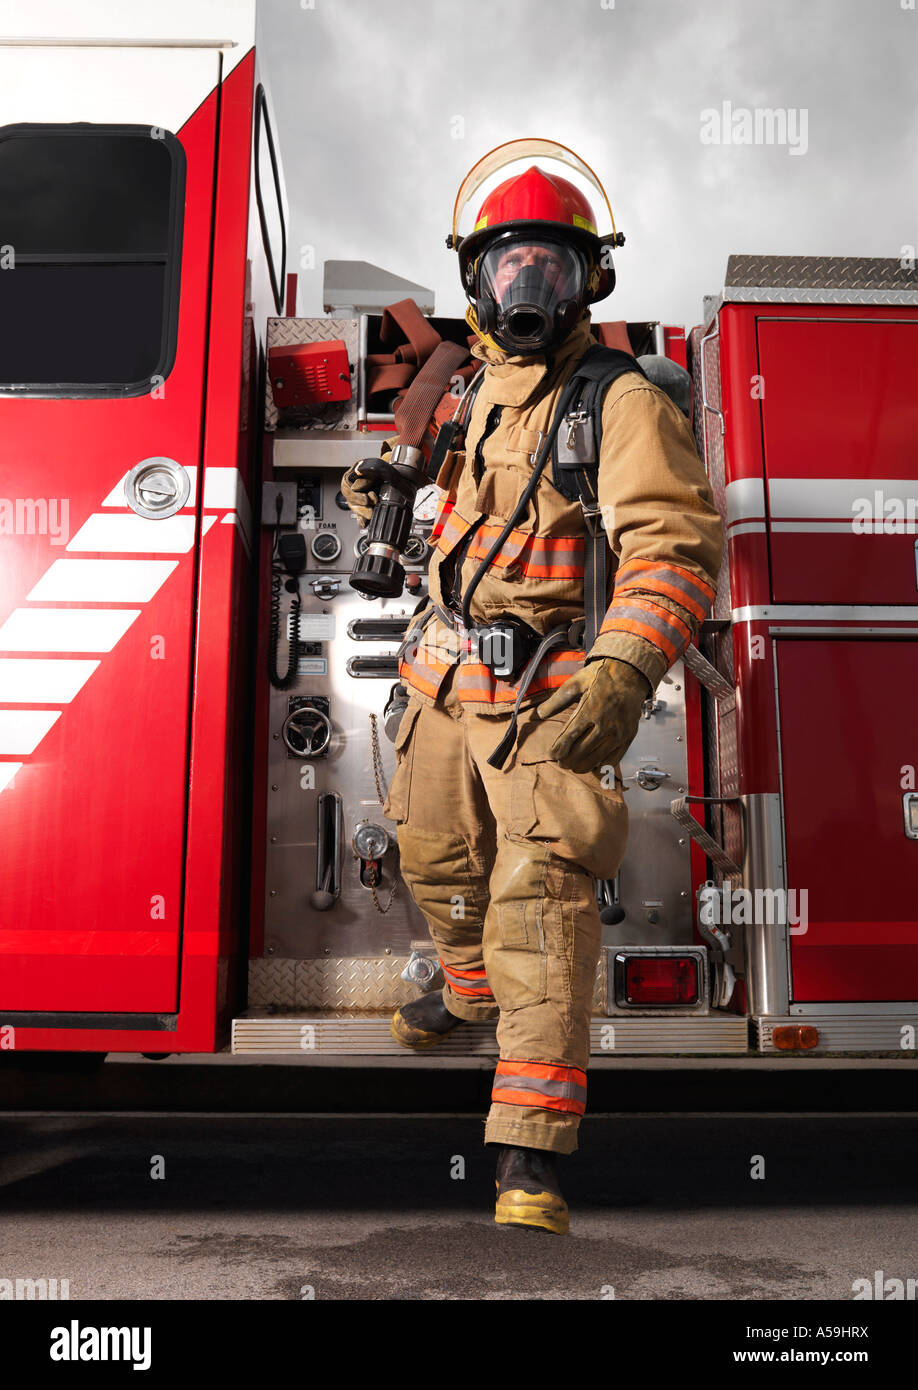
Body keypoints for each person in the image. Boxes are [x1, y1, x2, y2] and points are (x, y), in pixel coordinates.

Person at [342, 140, 724, 1235]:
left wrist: (619, 674)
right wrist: (393, 476)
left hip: (547, 703)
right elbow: (457, 492)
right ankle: (462, 988)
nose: (530, 293)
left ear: (589, 280)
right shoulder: (468, 390)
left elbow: (672, 551)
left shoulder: (619, 400)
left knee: (541, 913)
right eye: (511, 271)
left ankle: (529, 1159)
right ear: (476, 281)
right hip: (439, 676)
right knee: (430, 853)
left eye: (552, 271)